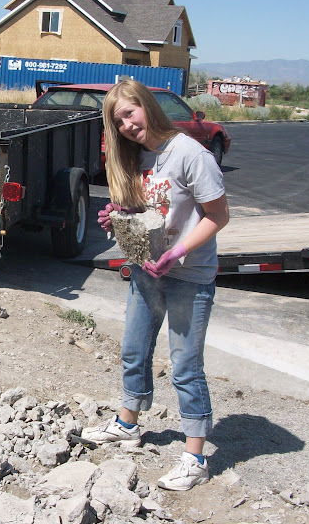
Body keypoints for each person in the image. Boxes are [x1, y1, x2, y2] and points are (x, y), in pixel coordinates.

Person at [82, 79, 229, 492]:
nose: (127, 125)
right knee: (133, 350)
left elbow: (218, 216)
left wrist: (175, 253)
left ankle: (195, 457)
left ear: (146, 105)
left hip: (189, 276)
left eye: (130, 113)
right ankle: (128, 424)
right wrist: (118, 217)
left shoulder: (190, 153)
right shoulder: (137, 157)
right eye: (118, 122)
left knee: (185, 367)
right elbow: (147, 213)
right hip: (148, 271)